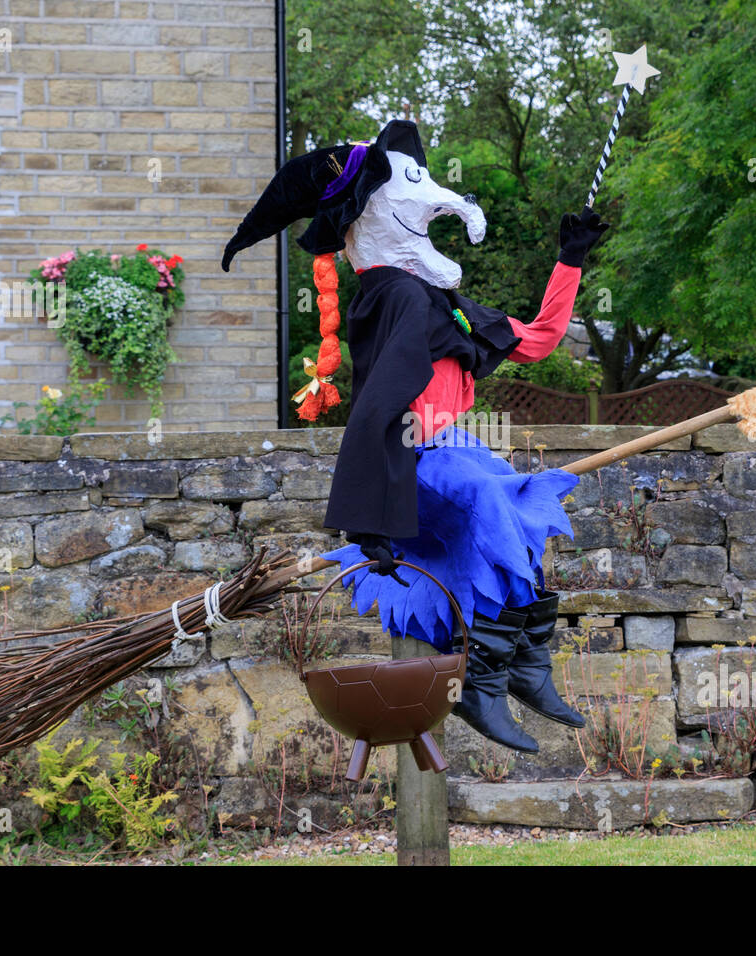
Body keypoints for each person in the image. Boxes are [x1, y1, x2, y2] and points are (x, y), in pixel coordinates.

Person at [222, 119, 608, 753]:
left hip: (453, 448)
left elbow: (537, 340)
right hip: (416, 458)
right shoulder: (396, 296)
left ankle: (528, 666)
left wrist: (570, 260)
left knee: (515, 492)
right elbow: (378, 406)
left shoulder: (440, 303)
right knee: (487, 496)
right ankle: (483, 683)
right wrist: (367, 518)